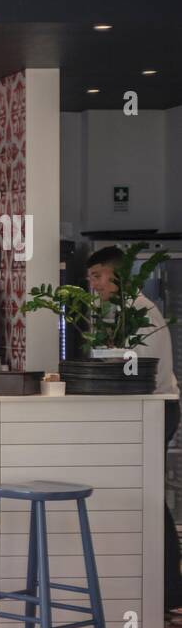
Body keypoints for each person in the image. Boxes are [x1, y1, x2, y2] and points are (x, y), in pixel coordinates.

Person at [86, 245, 180, 609]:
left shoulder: (142, 313)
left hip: (155, 410)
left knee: (150, 497)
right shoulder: (121, 312)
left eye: (97, 277)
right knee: (149, 496)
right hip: (144, 411)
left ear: (119, 276)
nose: (93, 285)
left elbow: (135, 372)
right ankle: (167, 589)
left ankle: (169, 589)